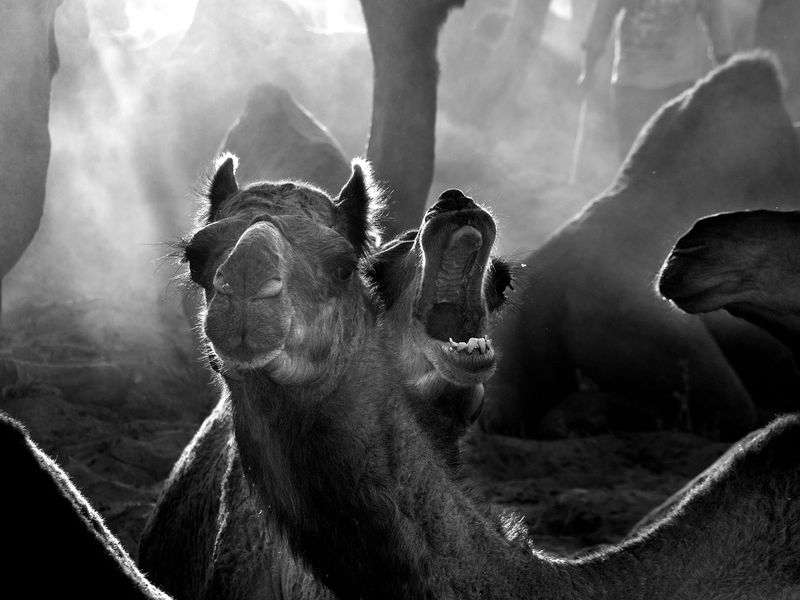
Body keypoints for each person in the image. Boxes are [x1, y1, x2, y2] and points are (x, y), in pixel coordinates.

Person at [579, 0, 733, 159]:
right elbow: (602, 16)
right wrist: (588, 69)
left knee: (674, 157)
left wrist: (725, 68)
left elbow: (716, 19)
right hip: (635, 83)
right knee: (636, 157)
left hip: (677, 84)